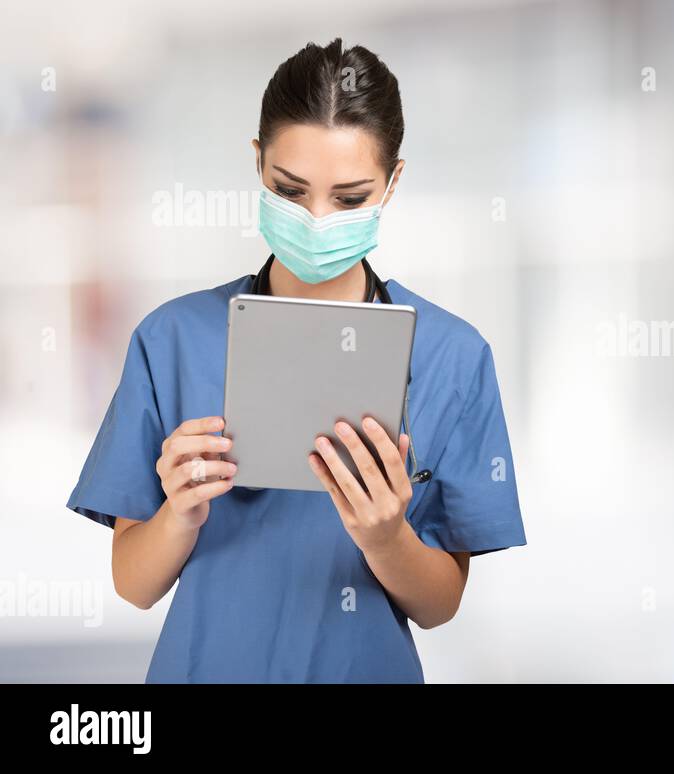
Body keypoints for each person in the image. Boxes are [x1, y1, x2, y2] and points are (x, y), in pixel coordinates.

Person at [64, 38, 526, 683]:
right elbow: (134, 586)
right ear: (258, 165)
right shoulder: (172, 339)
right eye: (291, 189)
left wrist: (387, 536)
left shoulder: (454, 356)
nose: (315, 219)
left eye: (349, 196)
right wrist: (180, 514)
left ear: (393, 182)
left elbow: (440, 604)